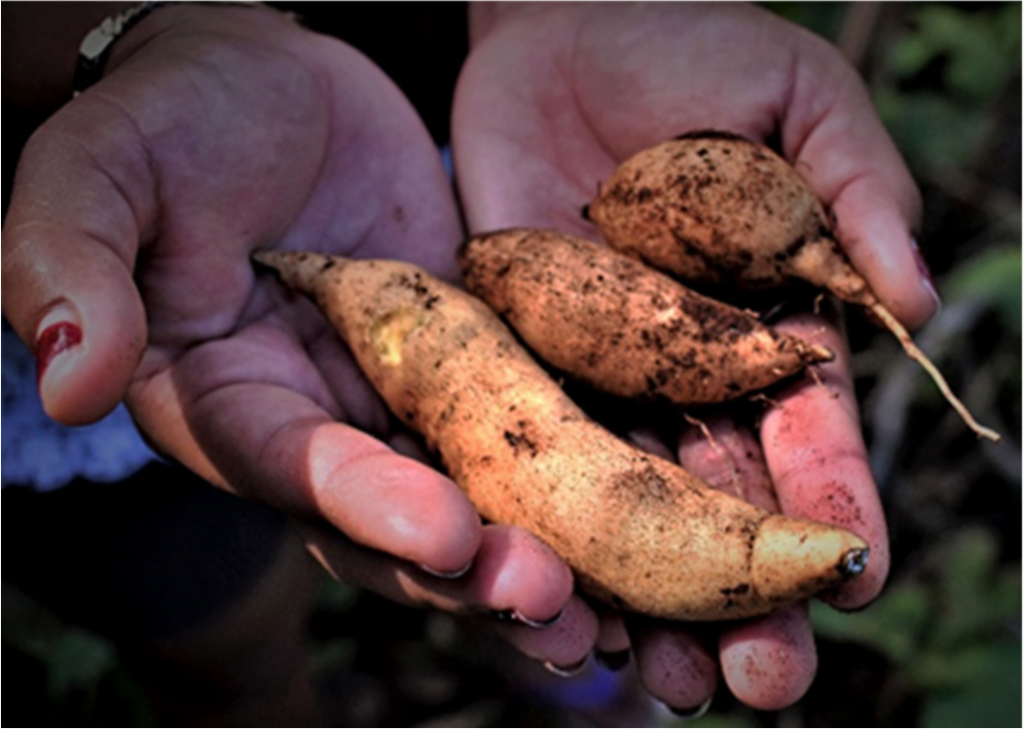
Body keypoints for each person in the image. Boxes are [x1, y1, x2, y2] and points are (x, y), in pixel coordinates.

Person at [0, 0, 940, 720]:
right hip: (202, 244)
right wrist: (124, 32)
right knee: (214, 617)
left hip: (464, 109)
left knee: (507, 577)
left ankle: (580, 688)